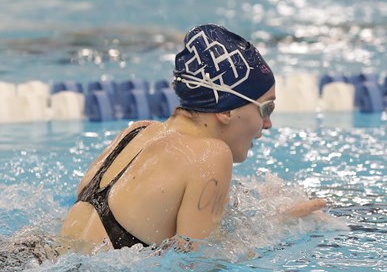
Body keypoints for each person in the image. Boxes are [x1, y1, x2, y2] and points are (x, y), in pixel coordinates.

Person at [59, 24, 325, 252]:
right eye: (266, 108)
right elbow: (199, 264)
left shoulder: (137, 132)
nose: (267, 124)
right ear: (227, 110)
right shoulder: (211, 154)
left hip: (46, 255)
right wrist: (277, 226)